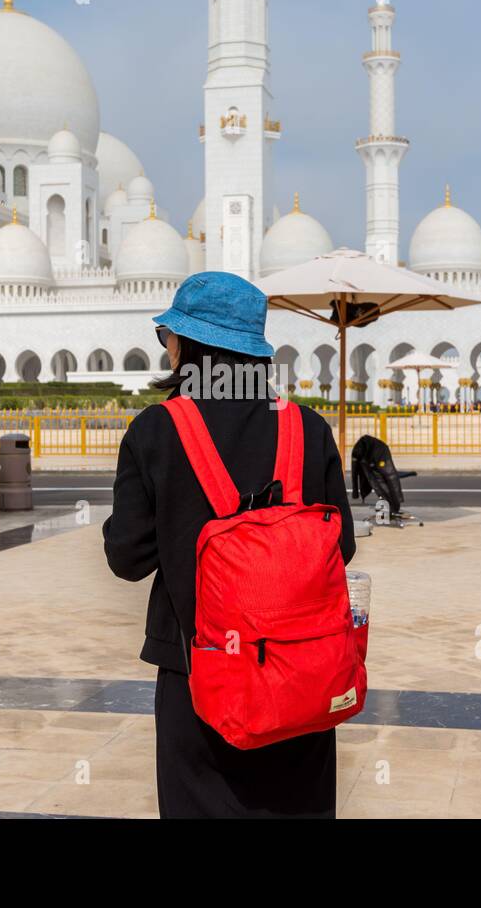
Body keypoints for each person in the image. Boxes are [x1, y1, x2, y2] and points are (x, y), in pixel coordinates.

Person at [103, 271, 355, 818]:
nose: (167, 347)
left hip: (199, 679)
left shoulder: (155, 431)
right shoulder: (307, 429)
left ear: (189, 345)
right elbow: (344, 547)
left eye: (169, 336)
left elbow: (125, 557)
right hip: (299, 674)